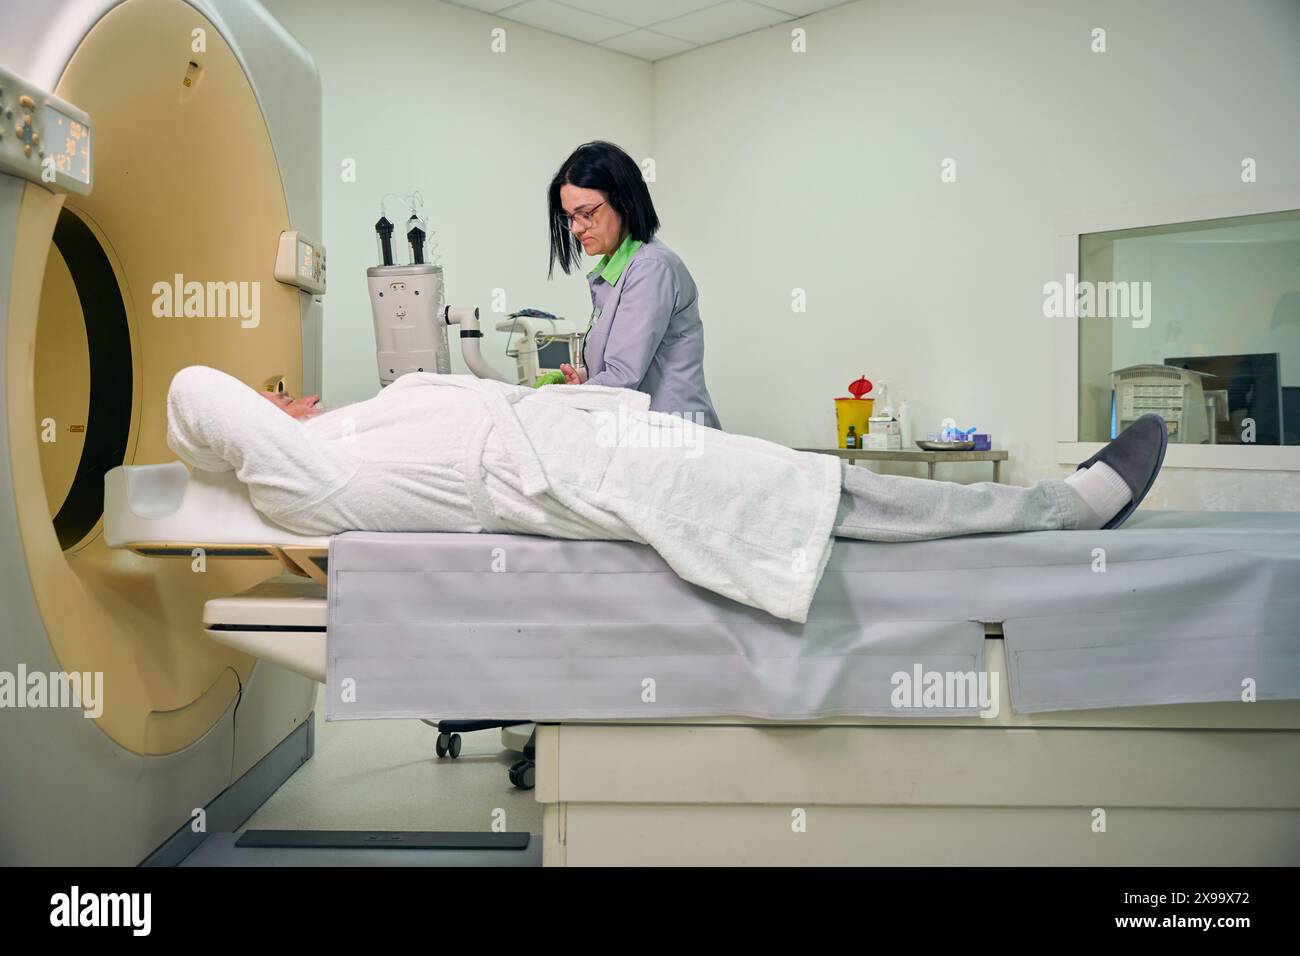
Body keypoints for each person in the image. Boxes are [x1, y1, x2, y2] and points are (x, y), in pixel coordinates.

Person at [167, 365, 1165, 624]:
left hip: (584, 436)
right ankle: (1057, 509)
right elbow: (193, 391)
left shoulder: (343, 427)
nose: (282, 398)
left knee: (801, 483)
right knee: (813, 488)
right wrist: (278, 423)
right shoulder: (304, 482)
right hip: (572, 472)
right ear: (247, 443)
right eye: (271, 403)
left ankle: (1040, 511)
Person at [547, 141, 721, 430]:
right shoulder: (616, 273)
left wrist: (555, 400)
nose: (576, 228)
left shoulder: (650, 268)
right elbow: (621, 370)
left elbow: (621, 377)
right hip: (645, 431)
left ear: (624, 201)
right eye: (569, 218)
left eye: (586, 213)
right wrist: (586, 380)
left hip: (674, 432)